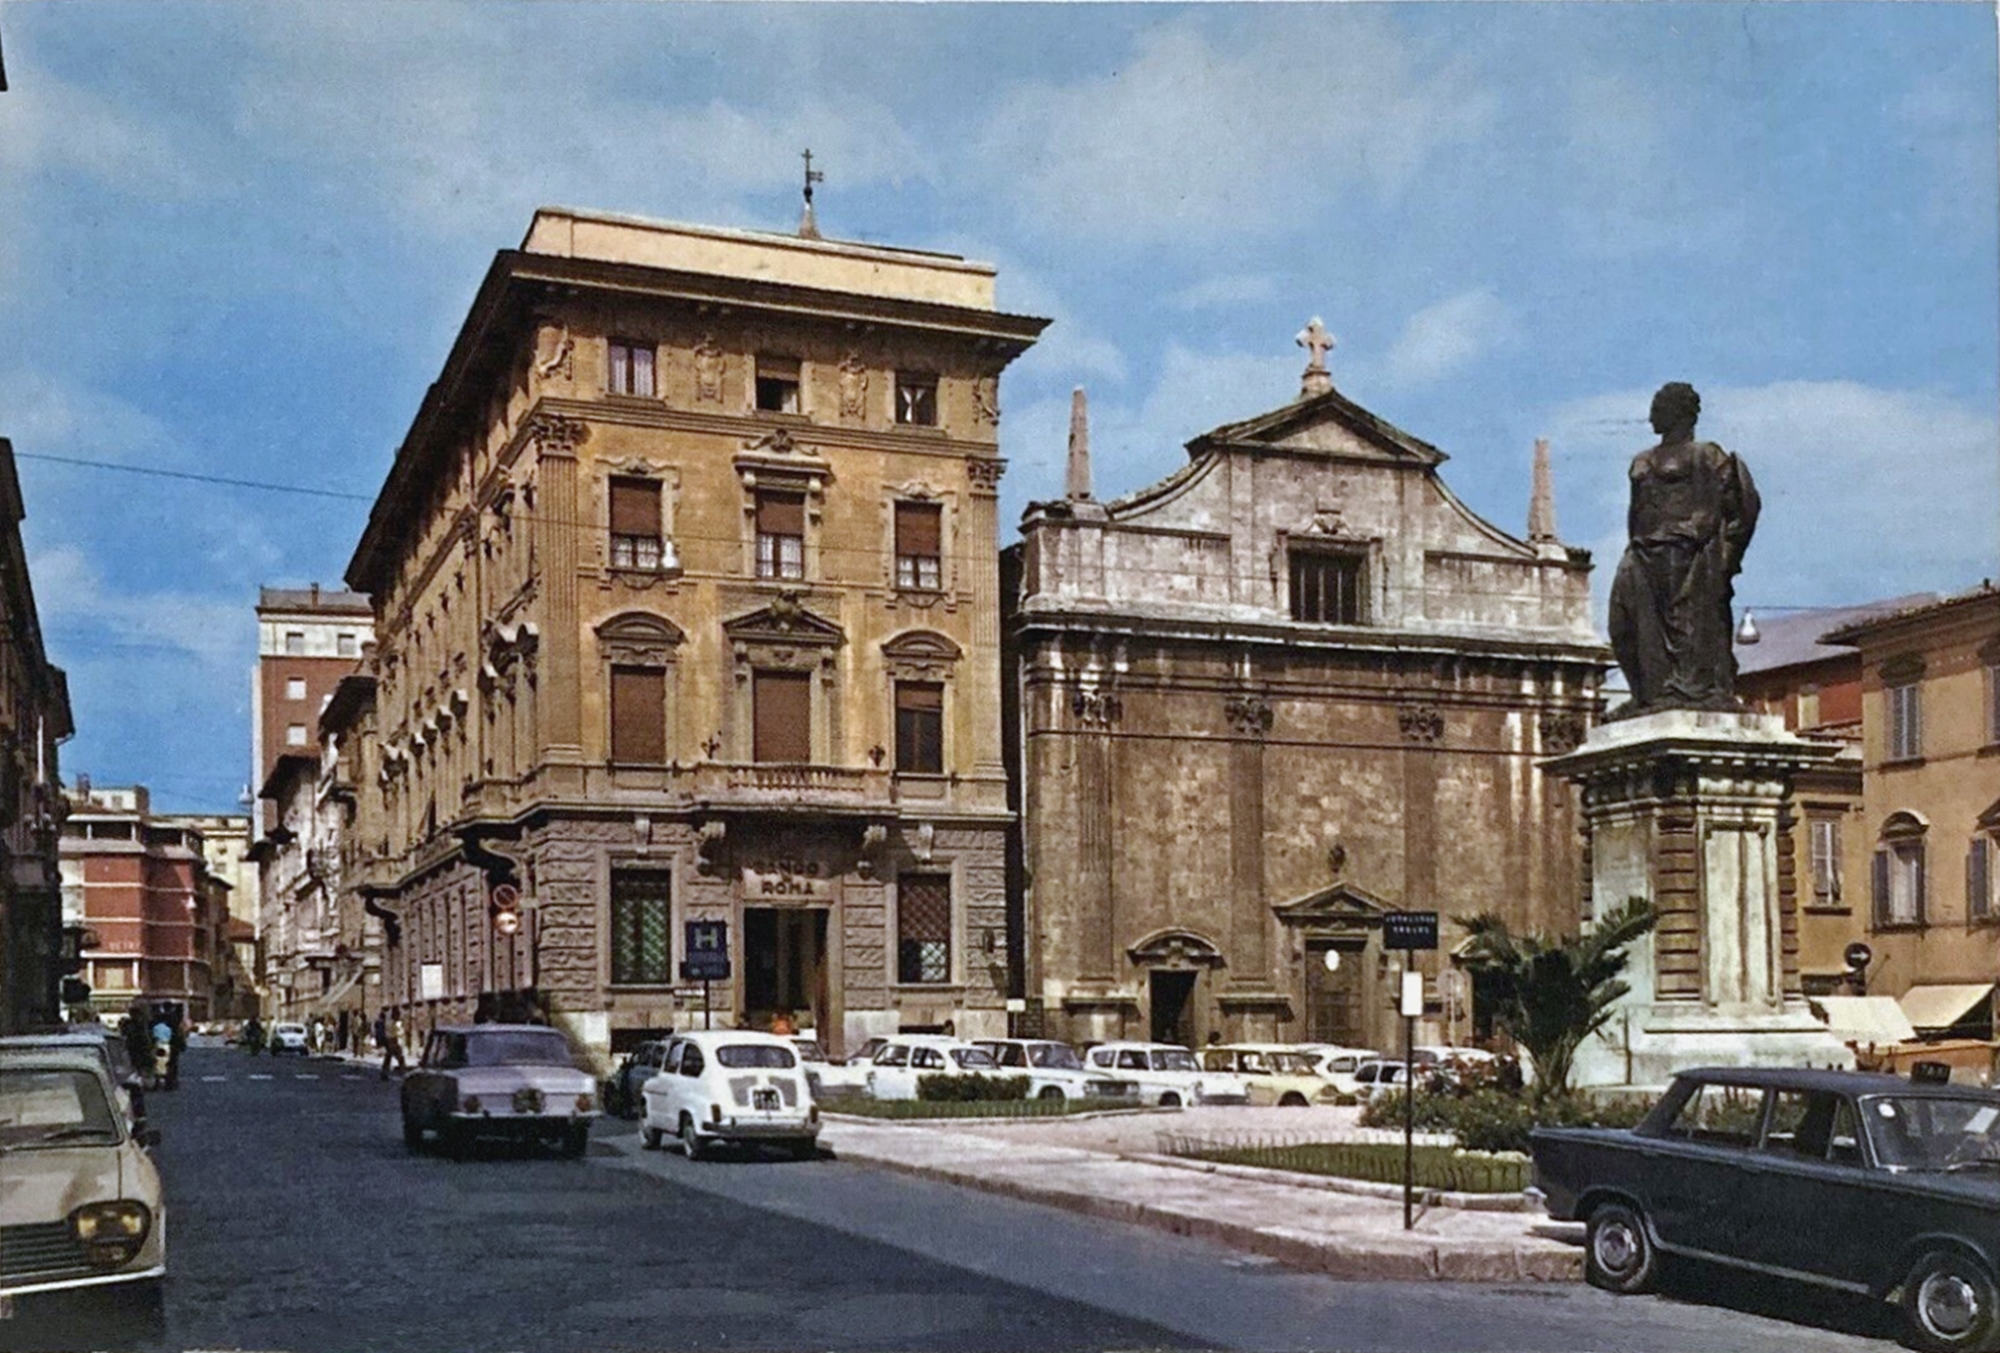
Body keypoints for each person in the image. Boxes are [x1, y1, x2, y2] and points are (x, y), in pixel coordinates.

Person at [1607, 382, 1761, 715]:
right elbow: (1636, 510)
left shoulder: (1706, 454)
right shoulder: (1642, 459)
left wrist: (1724, 555)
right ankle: (1647, 692)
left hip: (1685, 551)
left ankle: (1684, 690)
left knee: (1684, 624)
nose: (1651, 414)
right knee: (1623, 625)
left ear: (1680, 412)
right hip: (1642, 551)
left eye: (1658, 406)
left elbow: (1741, 505)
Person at [377, 1010, 408, 1080]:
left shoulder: (390, 1022)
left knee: (389, 1058)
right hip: (392, 1040)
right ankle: (402, 1072)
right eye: (398, 1015)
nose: (398, 1017)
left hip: (390, 1041)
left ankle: (384, 1073)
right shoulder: (392, 1023)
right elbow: (397, 1032)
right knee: (399, 1057)